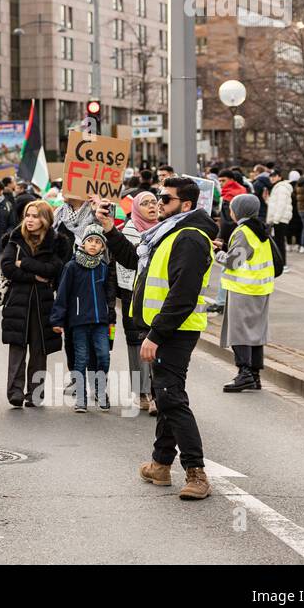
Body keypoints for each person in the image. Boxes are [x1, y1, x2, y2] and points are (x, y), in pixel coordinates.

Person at [97, 176, 215, 501]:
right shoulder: (167, 233)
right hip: (163, 327)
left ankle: (196, 472)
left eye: (166, 198)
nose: (159, 203)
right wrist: (109, 229)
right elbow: (137, 263)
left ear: (186, 205)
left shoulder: (189, 237)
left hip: (175, 329)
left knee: (171, 397)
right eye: (158, 197)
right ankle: (160, 464)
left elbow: (183, 294)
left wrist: (157, 334)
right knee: (165, 396)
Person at [1, 200, 66, 408]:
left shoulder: (57, 242)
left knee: (39, 352)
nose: (30, 220)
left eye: (36, 216)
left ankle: (35, 394)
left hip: (43, 304)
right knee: (17, 349)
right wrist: (34, 276)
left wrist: (26, 264)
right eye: (28, 215)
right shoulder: (15, 239)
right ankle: (15, 392)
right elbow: (8, 268)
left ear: (45, 219)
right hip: (18, 301)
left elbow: (54, 269)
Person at [51, 224, 117, 412]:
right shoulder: (71, 266)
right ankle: (81, 398)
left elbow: (109, 295)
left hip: (100, 322)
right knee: (81, 358)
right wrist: (57, 320)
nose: (93, 245)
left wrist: (110, 317)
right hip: (78, 322)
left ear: (103, 247)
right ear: (83, 243)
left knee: (103, 357)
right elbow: (63, 294)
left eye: (98, 242)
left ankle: (100, 390)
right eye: (90, 240)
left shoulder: (104, 268)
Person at [216, 193, 273, 393]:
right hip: (260, 287)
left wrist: (218, 253)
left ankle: (244, 374)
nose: (230, 212)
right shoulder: (260, 228)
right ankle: (255, 375)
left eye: (232, 208)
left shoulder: (243, 231)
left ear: (239, 211)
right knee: (255, 333)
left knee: (239, 332)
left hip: (243, 288)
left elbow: (234, 261)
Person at [119, 192, 158, 413]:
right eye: (145, 203)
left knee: (155, 344)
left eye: (154, 202)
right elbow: (130, 261)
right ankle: (141, 392)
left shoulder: (165, 227)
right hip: (133, 295)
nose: (151, 206)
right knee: (136, 345)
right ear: (135, 208)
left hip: (157, 295)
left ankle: (155, 393)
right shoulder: (129, 230)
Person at [264, 170, 294, 267]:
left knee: (279, 243)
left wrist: (275, 220)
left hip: (280, 219)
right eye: (271, 176)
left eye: (274, 176)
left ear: (280, 177)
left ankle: (282, 264)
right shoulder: (278, 187)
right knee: (277, 242)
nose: (272, 178)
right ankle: (279, 264)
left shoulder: (281, 188)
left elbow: (281, 205)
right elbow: (275, 204)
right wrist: (267, 200)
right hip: (279, 219)